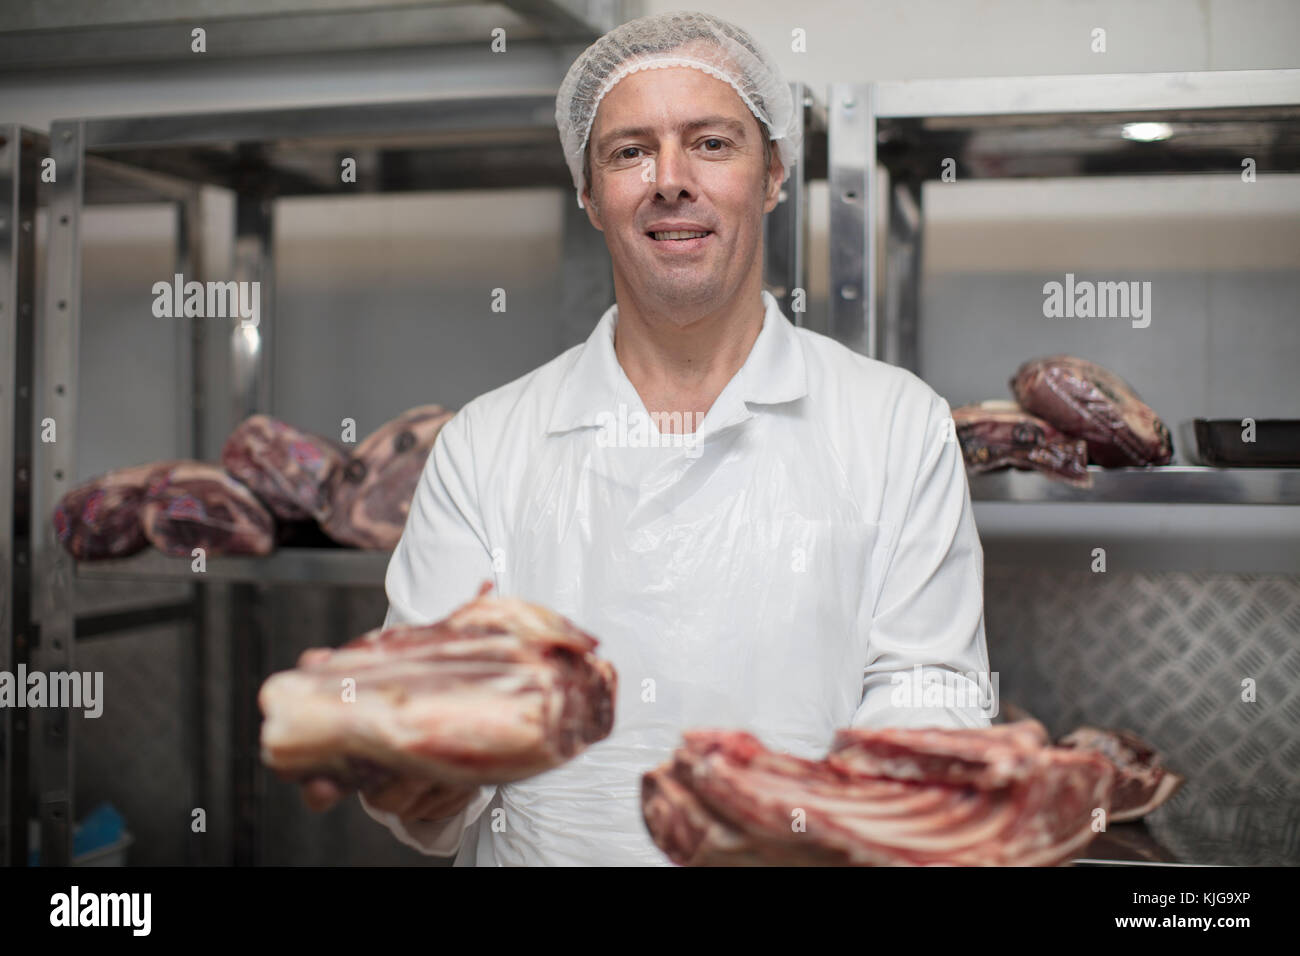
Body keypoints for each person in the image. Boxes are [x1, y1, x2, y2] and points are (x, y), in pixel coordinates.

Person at [302, 10, 992, 865]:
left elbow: (929, 691)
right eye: (629, 152)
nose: (670, 179)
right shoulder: (488, 443)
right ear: (590, 195)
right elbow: (437, 728)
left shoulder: (894, 424)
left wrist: (859, 814)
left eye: (711, 142)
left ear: (773, 173)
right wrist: (421, 766)